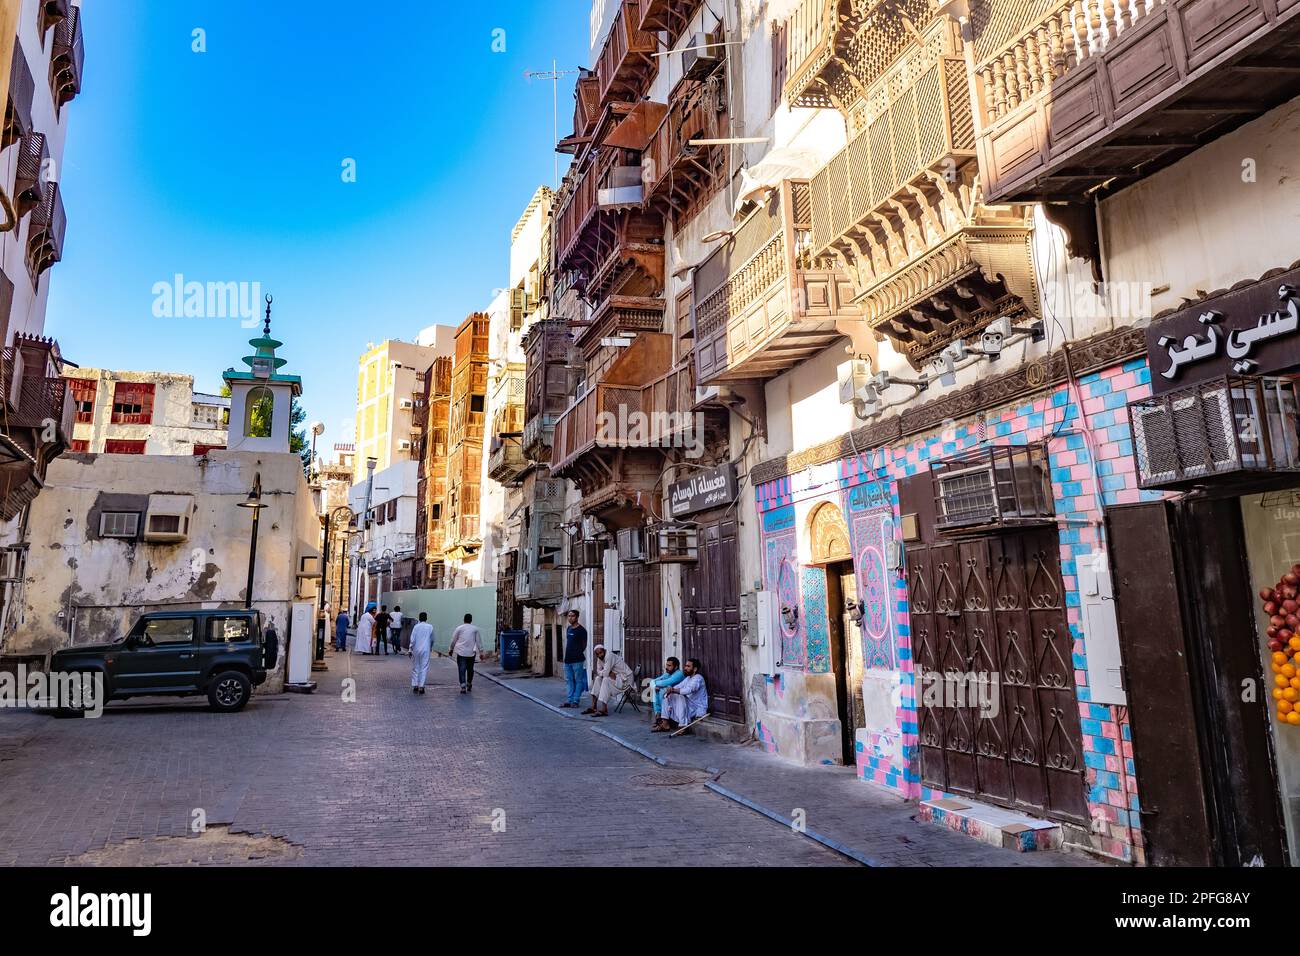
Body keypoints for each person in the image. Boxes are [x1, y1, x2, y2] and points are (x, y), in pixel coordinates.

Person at [584, 644, 633, 717]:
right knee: (598, 679)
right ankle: (593, 706)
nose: (600, 655)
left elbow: (605, 673)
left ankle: (604, 710)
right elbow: (599, 671)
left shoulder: (609, 656)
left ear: (604, 650)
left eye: (601, 653)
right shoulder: (599, 658)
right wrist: (608, 672)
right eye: (598, 654)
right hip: (616, 678)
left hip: (625, 679)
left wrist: (606, 672)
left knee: (605, 680)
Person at [661, 658, 708, 732]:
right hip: (688, 705)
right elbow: (678, 686)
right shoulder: (688, 678)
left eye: (688, 666)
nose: (685, 668)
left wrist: (673, 690)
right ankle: (665, 723)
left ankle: (683, 726)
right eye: (685, 666)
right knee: (667, 695)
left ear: (695, 669)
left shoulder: (698, 678)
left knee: (680, 696)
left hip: (696, 707)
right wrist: (670, 689)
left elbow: (688, 690)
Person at [560, 609, 588, 708]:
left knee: (578, 680)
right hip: (567, 660)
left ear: (576, 617)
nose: (570, 618)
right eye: (569, 616)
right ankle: (569, 700)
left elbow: (584, 645)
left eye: (572, 616)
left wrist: (577, 652)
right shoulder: (568, 629)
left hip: (578, 660)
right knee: (569, 680)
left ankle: (576, 700)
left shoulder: (582, 630)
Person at [449, 613, 483, 694]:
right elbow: (479, 642)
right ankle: (469, 683)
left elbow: (453, 640)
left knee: (462, 669)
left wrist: (451, 649)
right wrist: (481, 652)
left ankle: (463, 686)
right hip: (471, 653)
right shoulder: (475, 629)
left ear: (464, 620)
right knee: (470, 669)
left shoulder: (459, 628)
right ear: (471, 620)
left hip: (461, 653)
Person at [649, 657, 685, 731]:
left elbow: (665, 682)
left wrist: (654, 684)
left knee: (662, 690)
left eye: (669, 666)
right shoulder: (667, 674)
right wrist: (654, 685)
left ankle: (664, 721)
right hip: (670, 698)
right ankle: (658, 716)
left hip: (679, 699)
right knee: (656, 690)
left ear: (676, 667)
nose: (666, 667)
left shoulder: (679, 674)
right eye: (666, 665)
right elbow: (653, 681)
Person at [409, 612, 434, 695]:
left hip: (416, 649)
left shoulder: (416, 627)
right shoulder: (430, 627)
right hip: (426, 649)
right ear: (426, 618)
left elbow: (412, 639)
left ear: (419, 618)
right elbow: (432, 639)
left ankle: (415, 684)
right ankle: (421, 686)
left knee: (416, 666)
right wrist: (431, 647)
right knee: (424, 667)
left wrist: (410, 649)